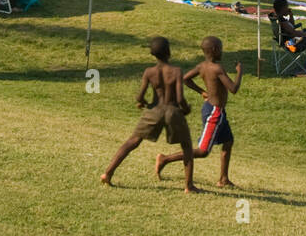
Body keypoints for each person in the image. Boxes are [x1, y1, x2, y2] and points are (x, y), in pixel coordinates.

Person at [101, 36, 194, 192]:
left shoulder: (149, 72)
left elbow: (139, 96)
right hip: (172, 110)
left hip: (154, 110)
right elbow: (179, 98)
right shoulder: (176, 71)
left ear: (152, 54)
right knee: (186, 146)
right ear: (169, 52)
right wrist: (185, 109)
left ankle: (108, 173)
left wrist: (144, 103)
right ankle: (188, 186)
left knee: (133, 141)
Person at [156, 36, 242, 187]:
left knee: (228, 142)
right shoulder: (217, 68)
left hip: (215, 111)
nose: (222, 51)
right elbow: (233, 89)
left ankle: (223, 179)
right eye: (221, 48)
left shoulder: (202, 66)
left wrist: (202, 91)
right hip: (214, 113)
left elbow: (185, 79)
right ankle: (165, 159)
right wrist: (239, 72)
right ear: (215, 50)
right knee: (203, 151)